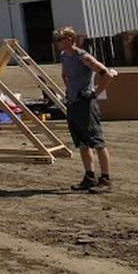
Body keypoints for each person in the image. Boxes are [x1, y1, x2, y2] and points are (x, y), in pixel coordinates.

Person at [55, 27, 117, 192]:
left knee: (97, 142)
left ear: (69, 39)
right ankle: (89, 177)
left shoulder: (84, 57)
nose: (57, 43)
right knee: (82, 142)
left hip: (85, 104)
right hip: (73, 103)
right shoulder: (64, 57)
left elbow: (107, 75)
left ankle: (105, 180)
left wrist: (94, 94)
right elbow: (64, 75)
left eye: (59, 39)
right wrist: (70, 91)